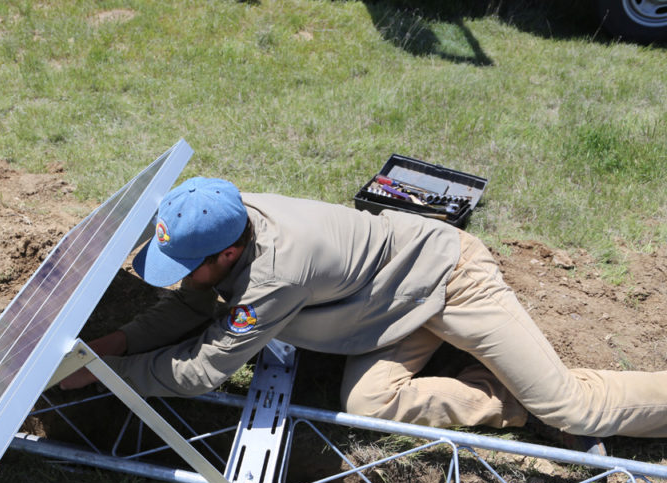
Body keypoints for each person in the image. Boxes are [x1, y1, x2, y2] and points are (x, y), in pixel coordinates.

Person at [61, 176, 667, 454]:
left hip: (448, 279)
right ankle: (510, 402)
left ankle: (547, 403)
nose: (181, 276)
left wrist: (110, 376)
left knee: (573, 407)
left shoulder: (277, 273)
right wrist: (114, 343)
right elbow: (191, 301)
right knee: (368, 406)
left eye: (187, 264)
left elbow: (202, 371)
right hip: (386, 307)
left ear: (226, 253)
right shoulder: (226, 212)